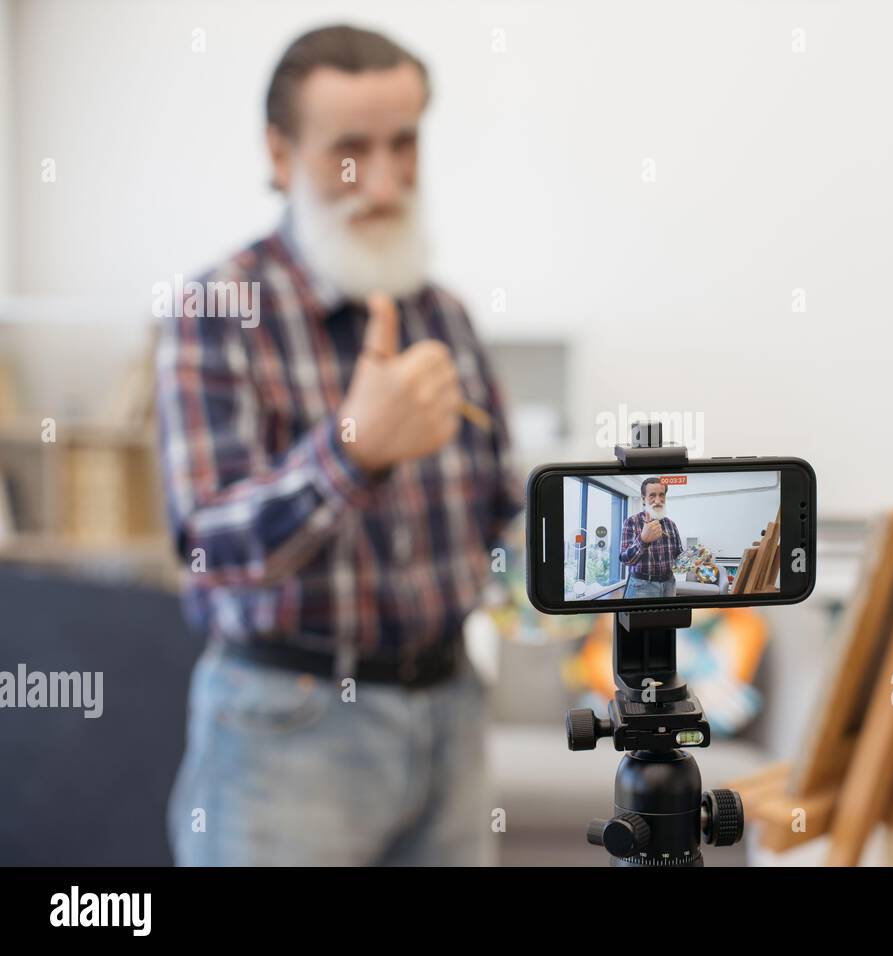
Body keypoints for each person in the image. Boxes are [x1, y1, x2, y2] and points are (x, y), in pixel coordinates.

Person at [155, 25, 518, 865]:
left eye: (405, 143)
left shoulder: (446, 315)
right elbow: (208, 545)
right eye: (350, 150)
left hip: (451, 713)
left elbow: (501, 513)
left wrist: (595, 567)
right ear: (280, 155)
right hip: (288, 728)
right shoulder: (218, 308)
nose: (384, 180)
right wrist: (353, 452)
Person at [618, 478, 684, 599]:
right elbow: (625, 559)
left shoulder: (671, 524)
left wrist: (695, 560)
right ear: (643, 498)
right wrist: (643, 540)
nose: (658, 500)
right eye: (652, 495)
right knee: (639, 619)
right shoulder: (632, 522)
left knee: (667, 618)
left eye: (661, 495)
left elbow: (678, 556)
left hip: (669, 585)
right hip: (641, 586)